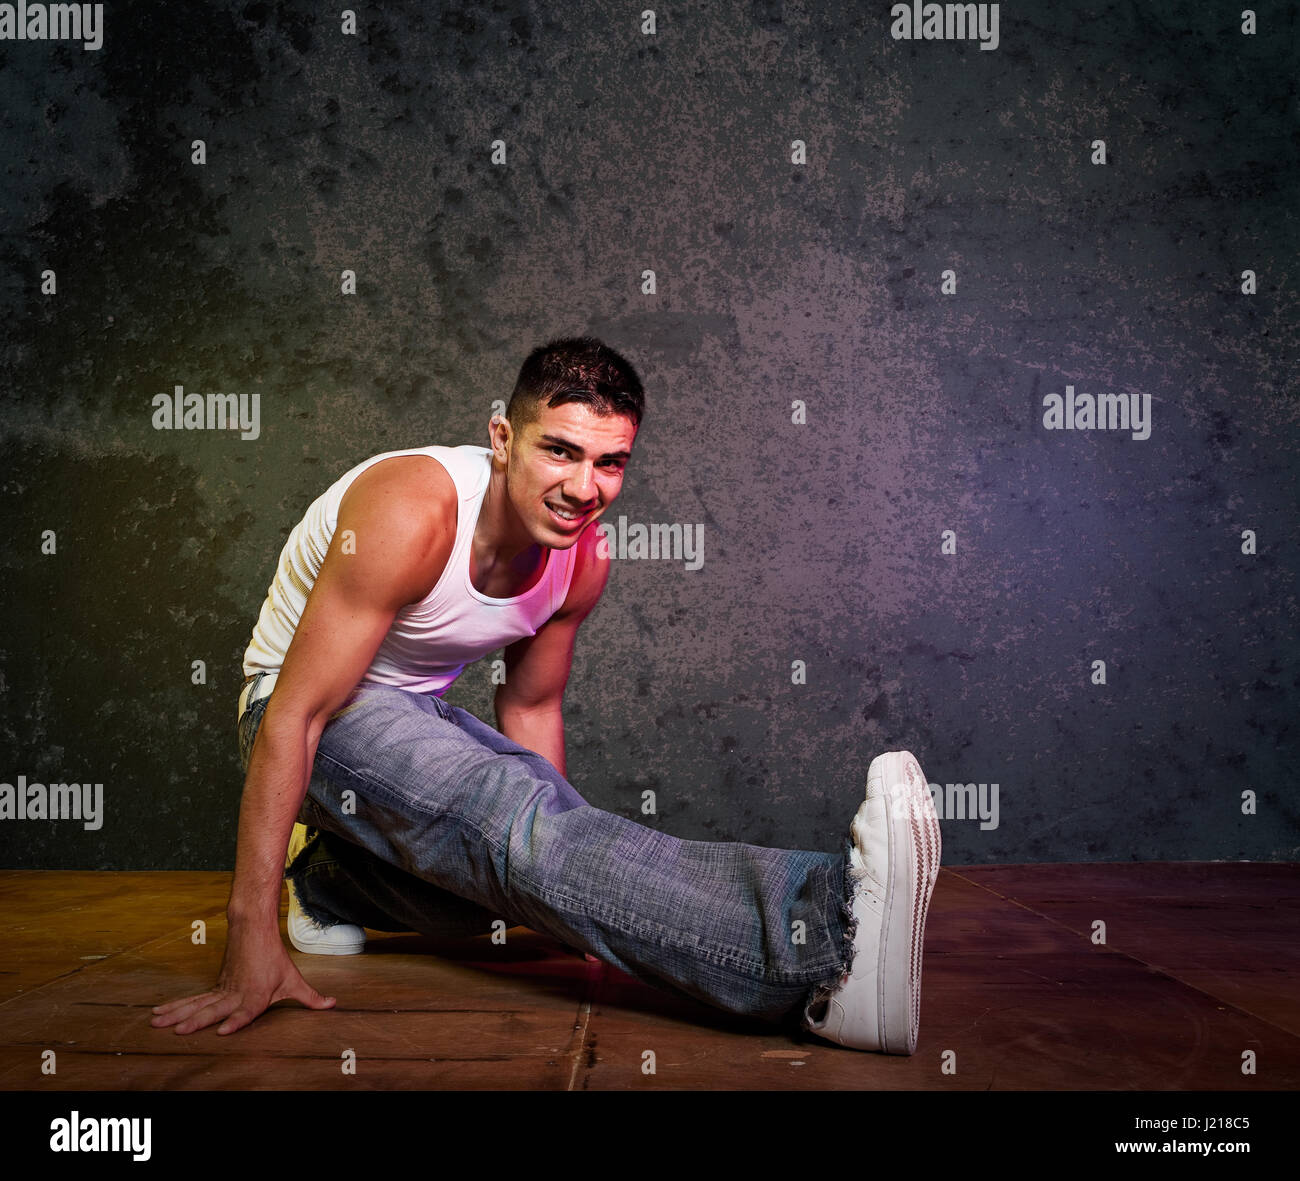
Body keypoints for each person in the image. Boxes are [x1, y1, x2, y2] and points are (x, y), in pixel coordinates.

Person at [151, 336, 941, 1054]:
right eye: (559, 451)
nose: (583, 486)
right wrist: (247, 932)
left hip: (410, 726)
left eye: (610, 462)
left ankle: (326, 879)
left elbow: (530, 710)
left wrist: (558, 888)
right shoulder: (412, 510)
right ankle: (822, 946)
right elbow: (298, 711)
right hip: (297, 713)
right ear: (503, 438)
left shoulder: (580, 559)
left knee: (510, 884)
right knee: (510, 821)